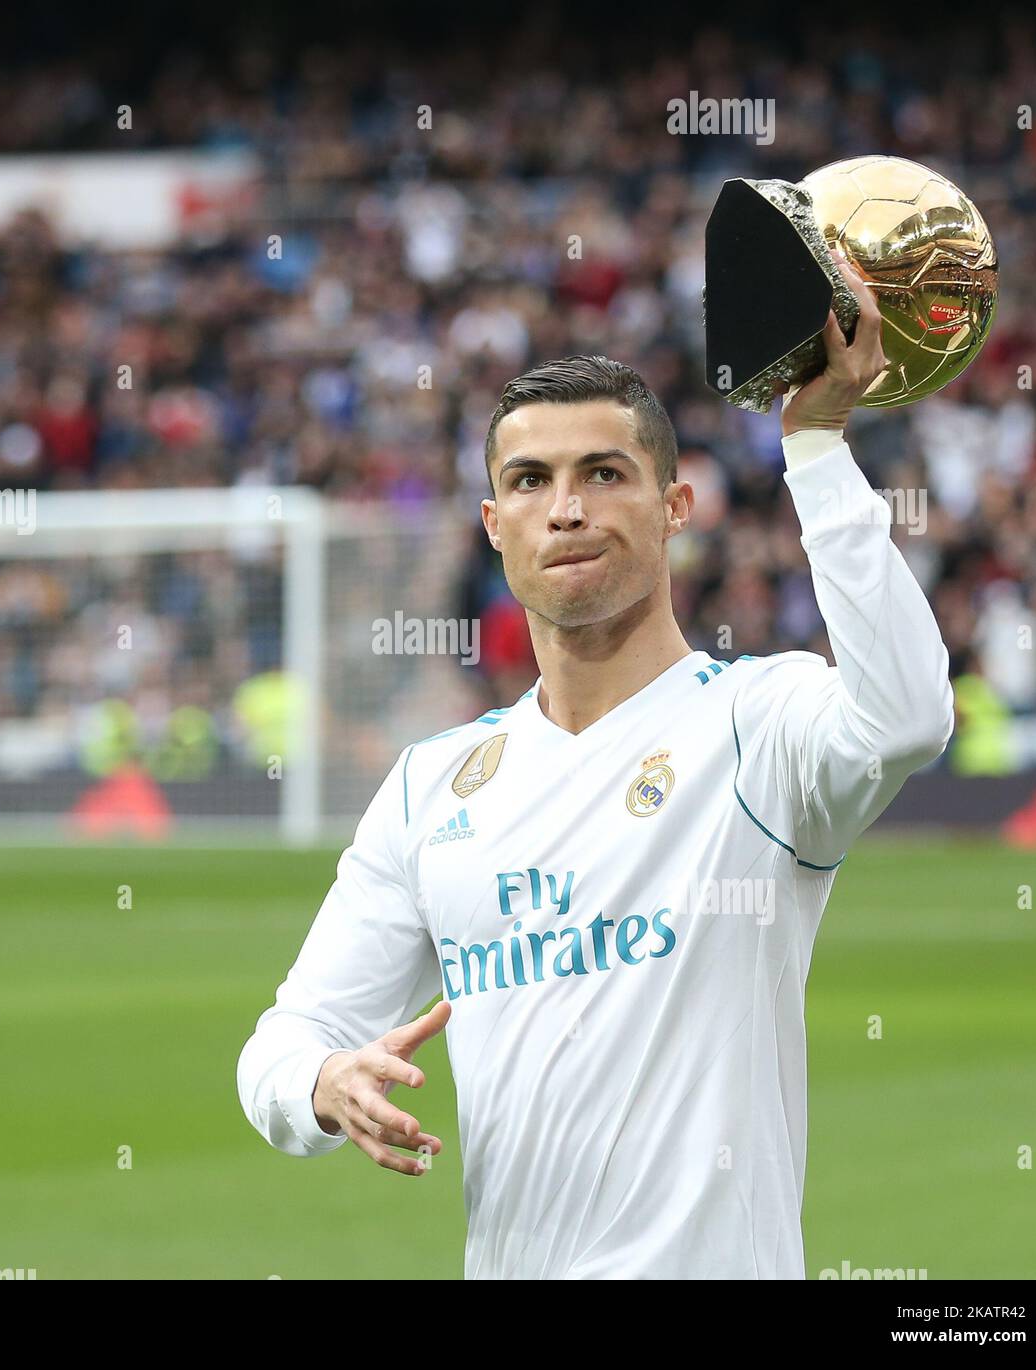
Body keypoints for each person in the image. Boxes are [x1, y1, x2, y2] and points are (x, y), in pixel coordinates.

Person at [236, 257, 955, 1279]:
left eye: (602, 473)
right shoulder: (433, 784)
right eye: (530, 482)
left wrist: (817, 445)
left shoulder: (757, 720)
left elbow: (908, 718)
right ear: (496, 529)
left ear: (674, 505)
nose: (564, 508)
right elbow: (283, 1037)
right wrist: (319, 1080)